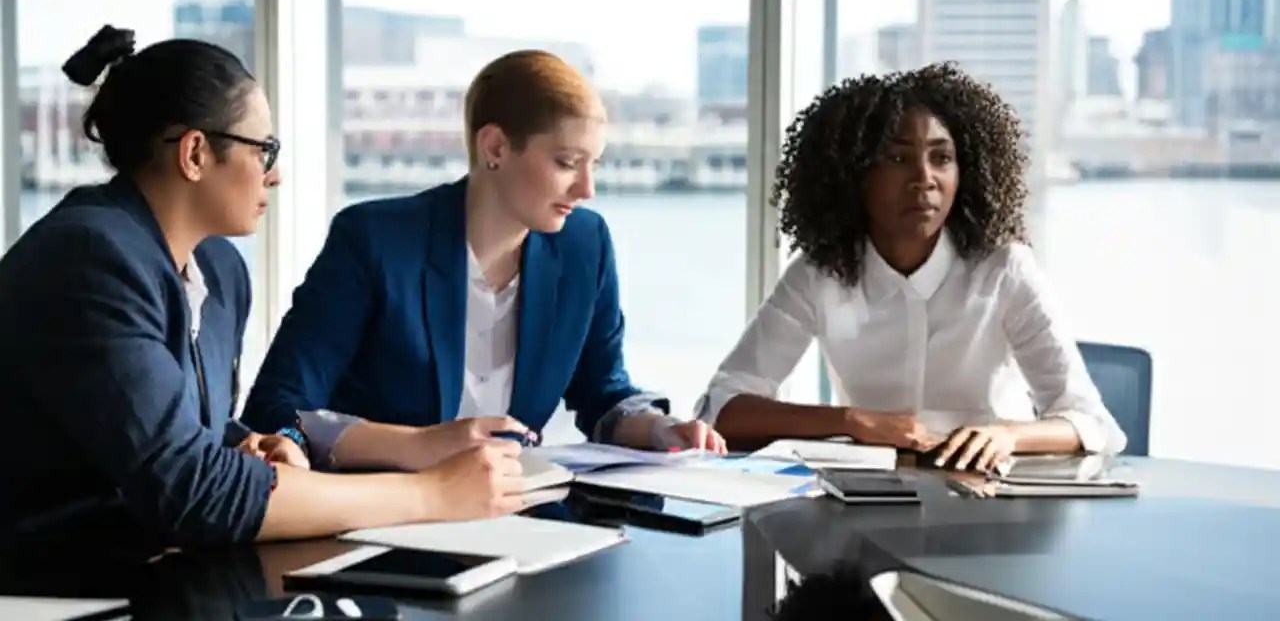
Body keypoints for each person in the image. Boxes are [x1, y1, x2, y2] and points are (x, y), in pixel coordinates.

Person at [0, 27, 524, 555]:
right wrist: (432, 494)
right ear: (195, 154)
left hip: (146, 564)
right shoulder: (88, 260)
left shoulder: (219, 269)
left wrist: (252, 445)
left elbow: (167, 430)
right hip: (44, 576)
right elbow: (189, 490)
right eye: (265, 151)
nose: (275, 176)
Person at [242, 49, 725, 466]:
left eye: (593, 164)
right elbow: (278, 408)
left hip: (515, 509)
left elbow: (603, 393)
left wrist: (661, 429)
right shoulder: (374, 241)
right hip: (384, 509)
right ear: (495, 147)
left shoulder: (584, 244)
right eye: (566, 163)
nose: (587, 189)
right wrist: (418, 445)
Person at [697, 63, 1125, 471]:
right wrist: (852, 421)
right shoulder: (818, 273)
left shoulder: (1004, 269)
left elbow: (1091, 421)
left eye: (941, 158)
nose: (925, 177)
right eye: (899, 159)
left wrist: (1007, 435)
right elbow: (722, 408)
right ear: (854, 173)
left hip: (995, 499)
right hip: (870, 502)